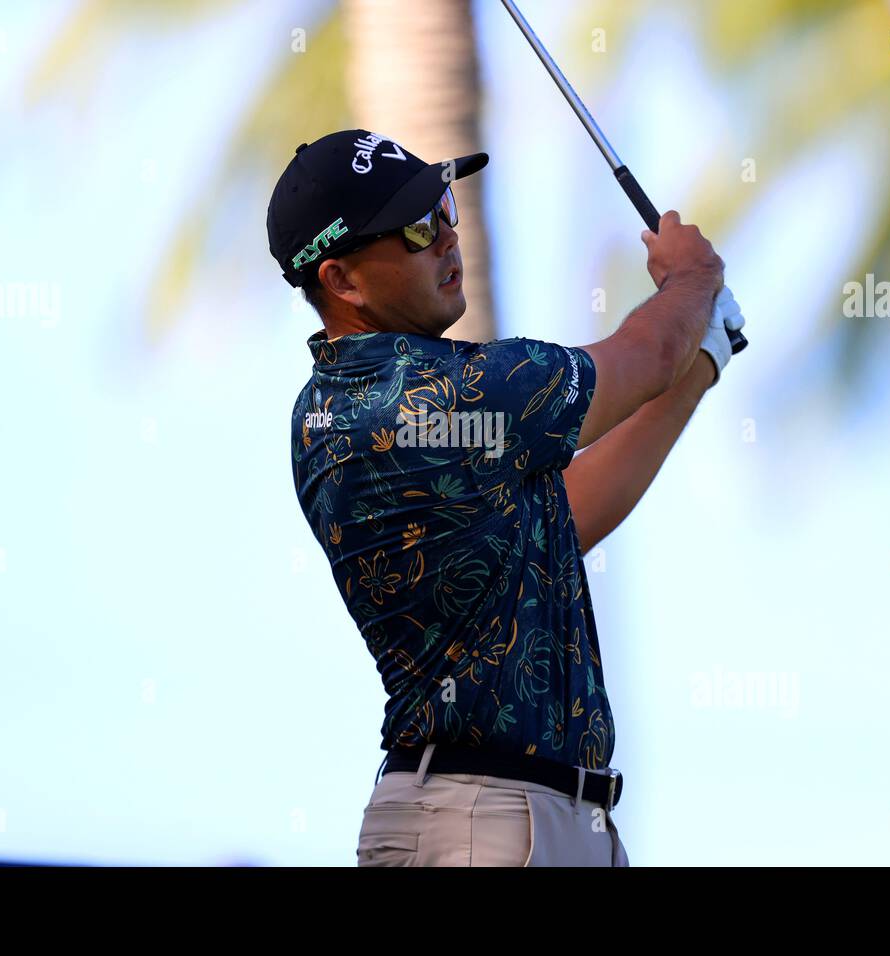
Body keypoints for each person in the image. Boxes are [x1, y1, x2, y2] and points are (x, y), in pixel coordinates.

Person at [267, 129, 745, 866]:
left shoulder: (338, 406)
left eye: (445, 206)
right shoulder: (429, 394)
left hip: (532, 818)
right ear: (342, 281)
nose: (447, 238)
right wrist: (691, 279)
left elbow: (568, 514)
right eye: (418, 228)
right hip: (480, 820)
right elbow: (645, 355)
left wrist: (701, 358)